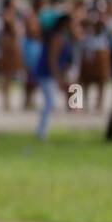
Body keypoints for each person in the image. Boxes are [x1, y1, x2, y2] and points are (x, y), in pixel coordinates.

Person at [34, 13, 71, 141]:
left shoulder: (61, 37)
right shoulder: (57, 38)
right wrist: (58, 78)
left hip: (48, 73)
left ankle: (42, 131)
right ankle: (41, 132)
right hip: (46, 73)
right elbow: (52, 59)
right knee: (50, 102)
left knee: (50, 102)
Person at [81, 9, 111, 112]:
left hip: (100, 57)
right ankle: (84, 103)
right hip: (89, 57)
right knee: (85, 80)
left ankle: (99, 104)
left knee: (101, 81)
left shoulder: (103, 35)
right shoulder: (87, 34)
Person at [0, 0, 23, 111]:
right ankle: (6, 101)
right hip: (8, 48)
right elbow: (13, 29)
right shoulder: (7, 14)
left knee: (9, 75)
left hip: (11, 46)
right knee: (6, 75)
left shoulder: (12, 14)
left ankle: (7, 101)